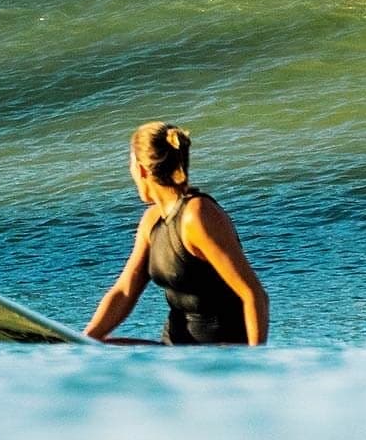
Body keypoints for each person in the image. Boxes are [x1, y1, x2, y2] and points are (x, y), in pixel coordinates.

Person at [84, 123, 270, 345]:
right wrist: (84, 342)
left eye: (130, 166)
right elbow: (124, 292)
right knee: (102, 348)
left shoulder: (198, 216)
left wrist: (255, 364)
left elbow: (253, 294)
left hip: (219, 357)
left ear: (142, 170)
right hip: (173, 355)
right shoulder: (152, 220)